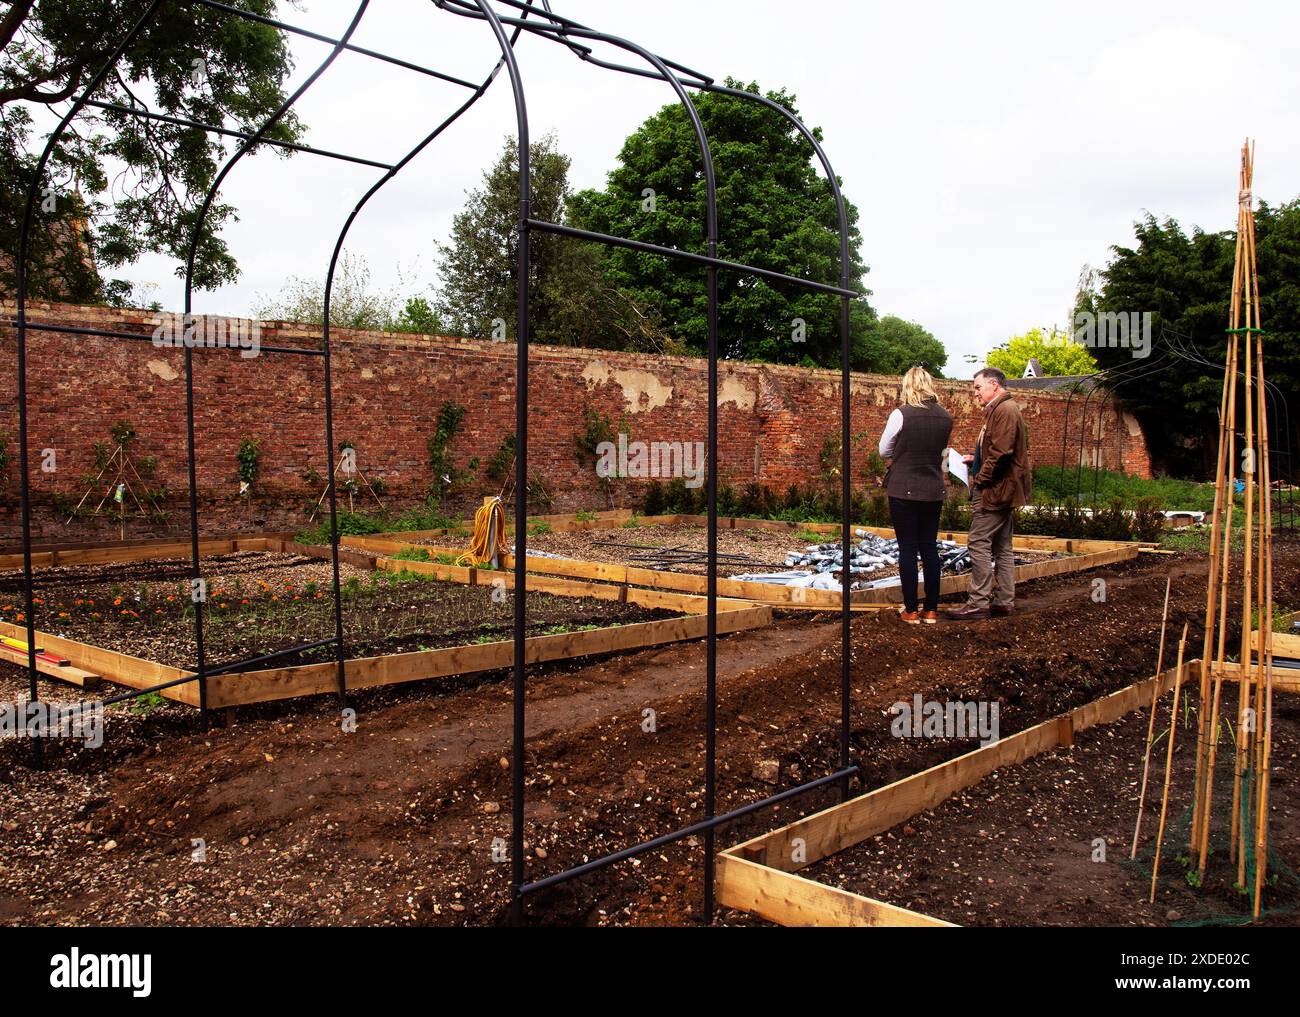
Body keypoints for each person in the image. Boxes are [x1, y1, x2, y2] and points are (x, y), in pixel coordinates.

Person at [945, 367, 1032, 620]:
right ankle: (1004, 600)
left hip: (995, 491)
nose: (975, 393)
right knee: (1002, 545)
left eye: (978, 387)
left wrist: (981, 479)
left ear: (994, 385)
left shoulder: (1004, 410)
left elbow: (1002, 454)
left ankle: (978, 602)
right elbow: (997, 450)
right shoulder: (1004, 409)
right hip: (1004, 488)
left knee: (978, 542)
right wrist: (976, 459)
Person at [879, 366, 953, 624]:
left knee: (907, 549)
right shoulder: (945, 417)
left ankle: (910, 609)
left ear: (907, 385)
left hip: (903, 489)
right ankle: (931, 609)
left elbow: (883, 449)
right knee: (930, 548)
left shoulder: (901, 414)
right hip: (933, 488)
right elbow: (942, 453)